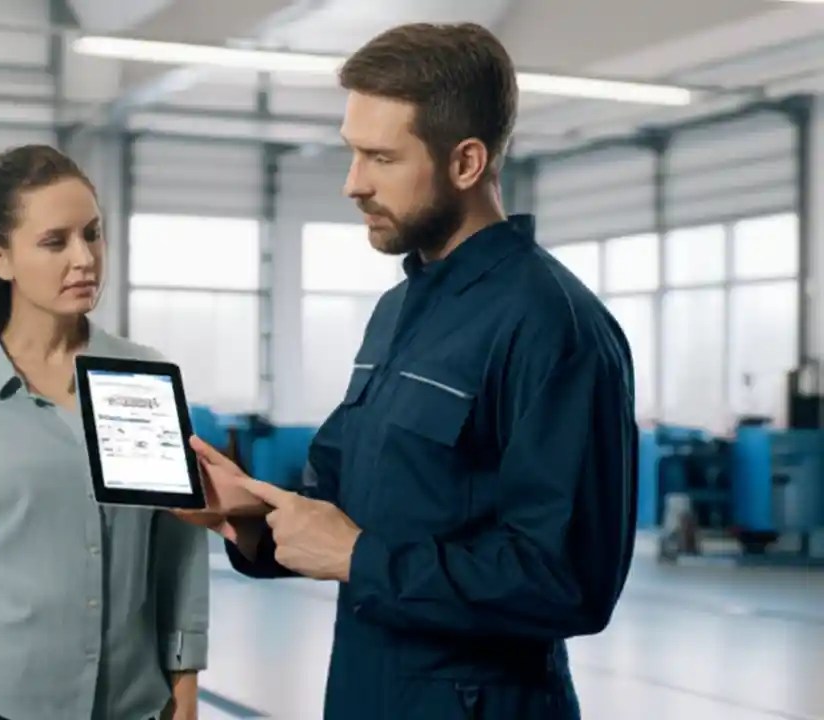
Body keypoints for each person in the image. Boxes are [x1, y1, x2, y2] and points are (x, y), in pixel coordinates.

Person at [178, 22, 637, 720]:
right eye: (352, 153)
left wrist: (361, 559)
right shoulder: (398, 311)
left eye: (380, 158)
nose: (352, 184)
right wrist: (252, 514)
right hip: (366, 692)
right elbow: (338, 505)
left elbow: (568, 580)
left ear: (466, 162)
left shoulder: (555, 328)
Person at [0, 144, 209, 720]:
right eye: (55, 242)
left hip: (128, 705)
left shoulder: (144, 377)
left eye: (93, 234)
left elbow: (176, 546)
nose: (84, 258)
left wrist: (183, 678)